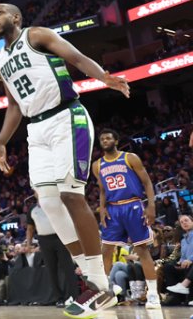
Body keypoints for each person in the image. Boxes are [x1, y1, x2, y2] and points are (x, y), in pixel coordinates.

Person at [0, 2, 130, 318]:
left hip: (66, 116)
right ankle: (96, 282)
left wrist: (104, 77)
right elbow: (13, 105)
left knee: (69, 195)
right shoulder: (0, 59)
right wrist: (1, 142)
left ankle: (99, 289)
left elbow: (76, 58)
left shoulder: (36, 35)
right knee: (49, 204)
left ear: (16, 17)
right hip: (35, 129)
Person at [91, 128, 161, 307]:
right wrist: (102, 208)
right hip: (113, 210)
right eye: (102, 139)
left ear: (116, 140)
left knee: (142, 250)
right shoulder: (97, 165)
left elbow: (146, 181)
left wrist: (151, 205)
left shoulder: (130, 158)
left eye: (108, 138)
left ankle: (153, 294)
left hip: (133, 205)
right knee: (105, 250)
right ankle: (105, 293)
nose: (105, 141)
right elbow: (102, 190)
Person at [161, 214, 193, 299]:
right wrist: (180, 262)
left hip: (191, 264)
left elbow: (189, 258)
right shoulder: (183, 240)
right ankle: (173, 296)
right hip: (186, 265)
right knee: (169, 267)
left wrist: (190, 260)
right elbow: (183, 256)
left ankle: (184, 286)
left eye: (186, 220)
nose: (184, 223)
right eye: (182, 222)